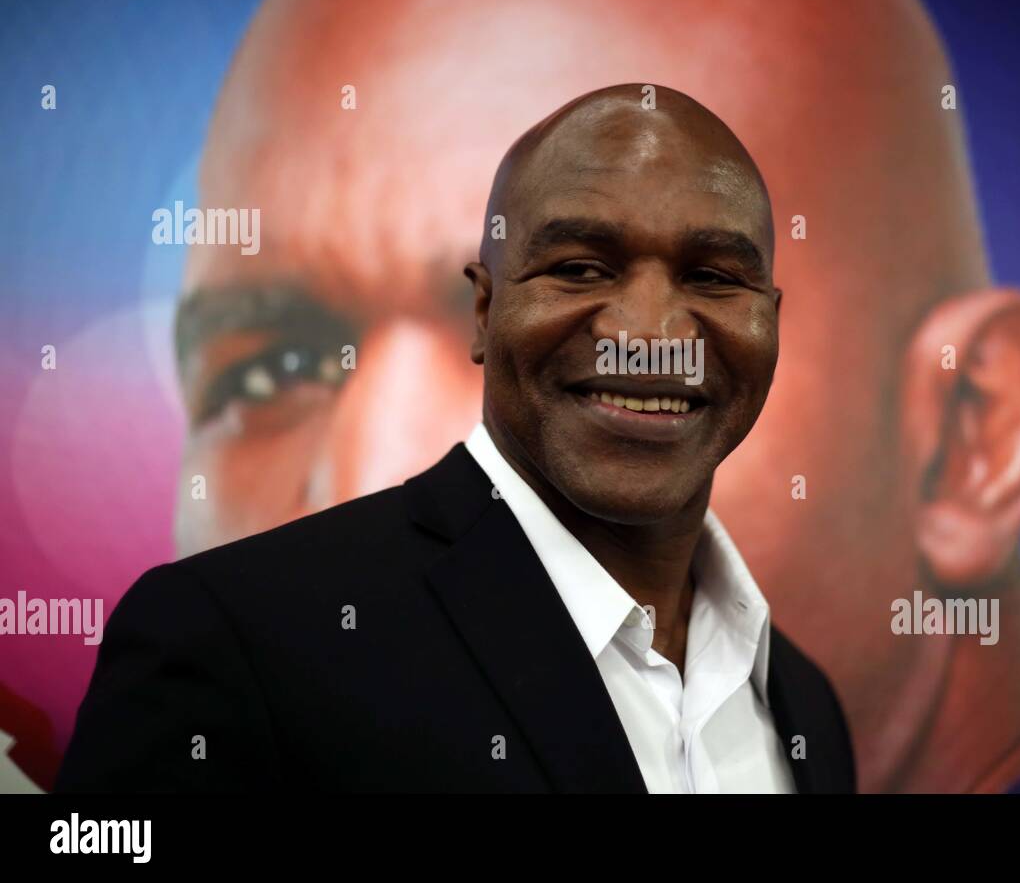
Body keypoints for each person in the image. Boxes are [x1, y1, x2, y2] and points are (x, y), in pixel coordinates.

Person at [160, 0, 1020, 791]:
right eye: (271, 371)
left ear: (977, 435)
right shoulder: (214, 641)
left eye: (707, 279)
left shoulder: (802, 713)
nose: (368, 475)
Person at [56, 84, 856, 793]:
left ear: (769, 325)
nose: (646, 335)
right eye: (581, 268)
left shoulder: (805, 707)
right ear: (484, 311)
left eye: (714, 277)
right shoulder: (230, 642)